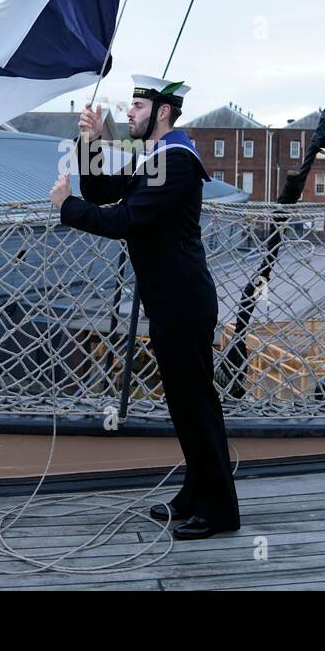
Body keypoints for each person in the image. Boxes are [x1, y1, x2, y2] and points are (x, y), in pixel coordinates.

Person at [49, 74, 240, 539]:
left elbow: (125, 219)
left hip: (183, 303)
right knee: (186, 404)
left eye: (137, 106)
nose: (129, 113)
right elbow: (104, 191)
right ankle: (196, 495)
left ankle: (220, 511)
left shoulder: (175, 162)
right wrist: (90, 141)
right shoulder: (157, 156)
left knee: (194, 405)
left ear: (163, 113)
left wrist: (65, 207)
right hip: (171, 301)